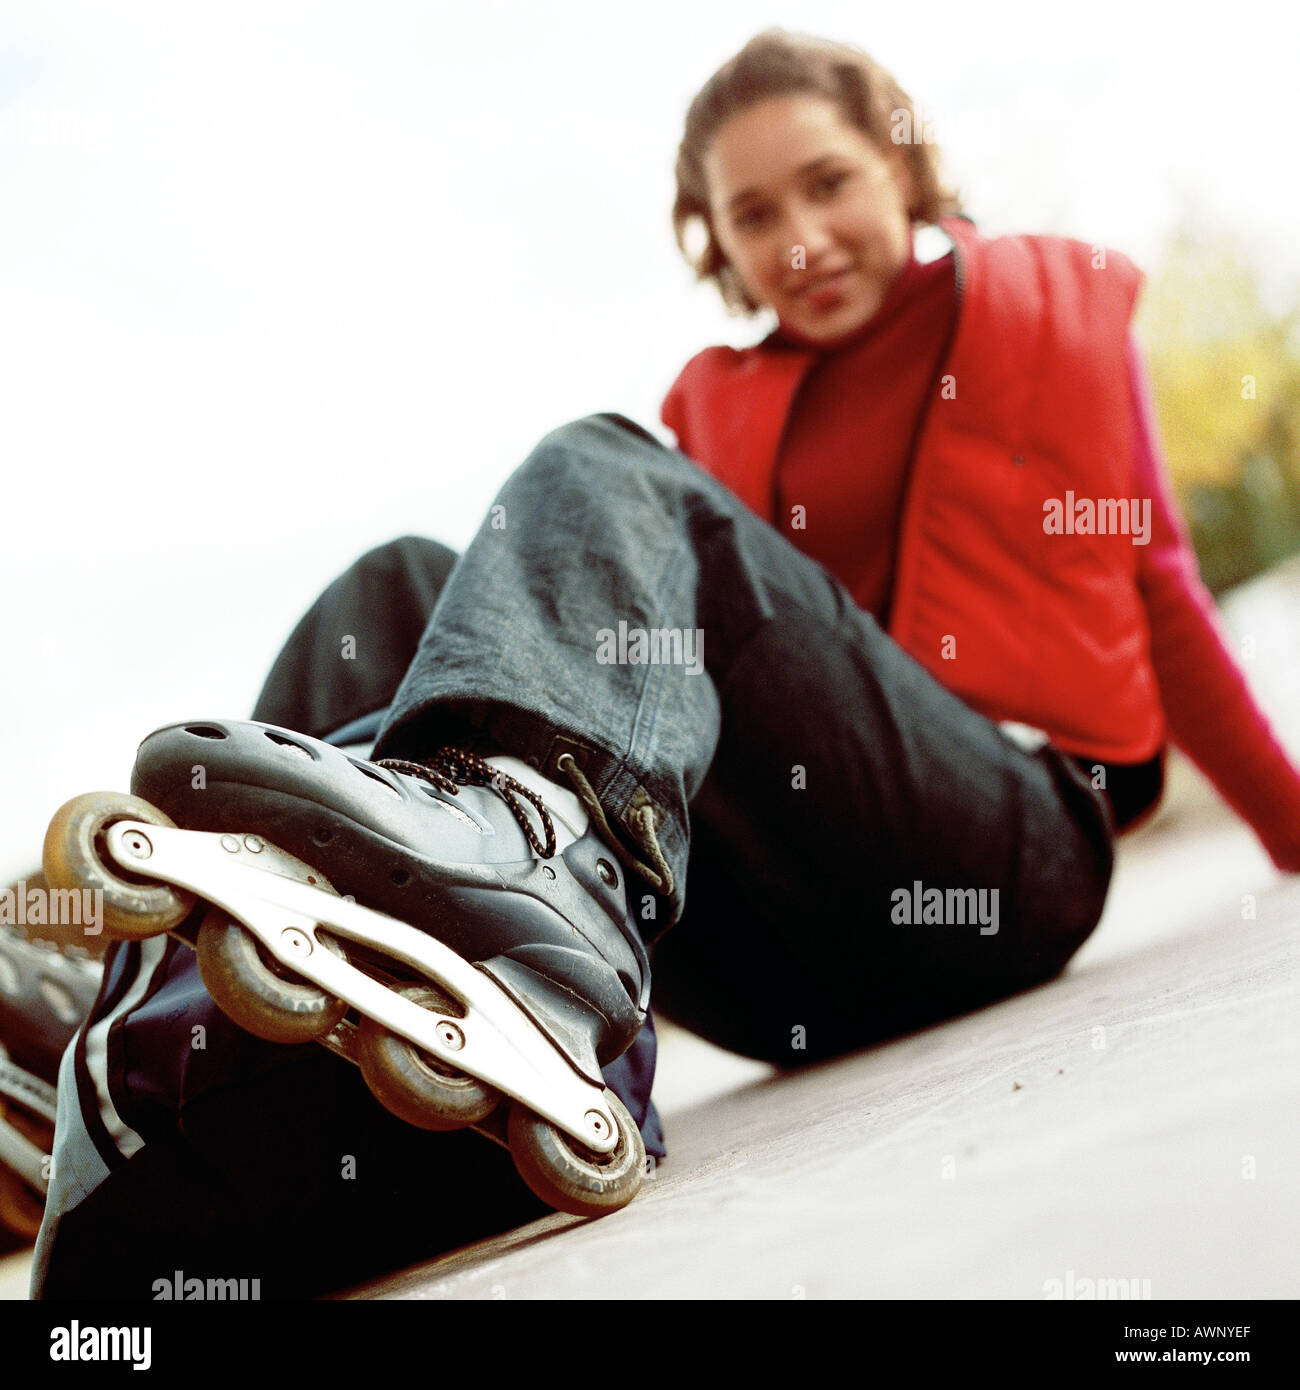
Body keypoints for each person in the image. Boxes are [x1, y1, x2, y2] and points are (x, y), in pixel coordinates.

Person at [24, 28, 1300, 1299]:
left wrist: (1291, 825)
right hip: (788, 943)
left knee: (603, 462)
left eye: (829, 183)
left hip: (1006, 851)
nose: (798, 236)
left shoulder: (1050, 309)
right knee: (396, 577)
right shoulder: (719, 402)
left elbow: (1163, 590)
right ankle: (214, 1012)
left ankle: (531, 854)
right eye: (754, 212)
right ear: (717, 242)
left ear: (901, 173)